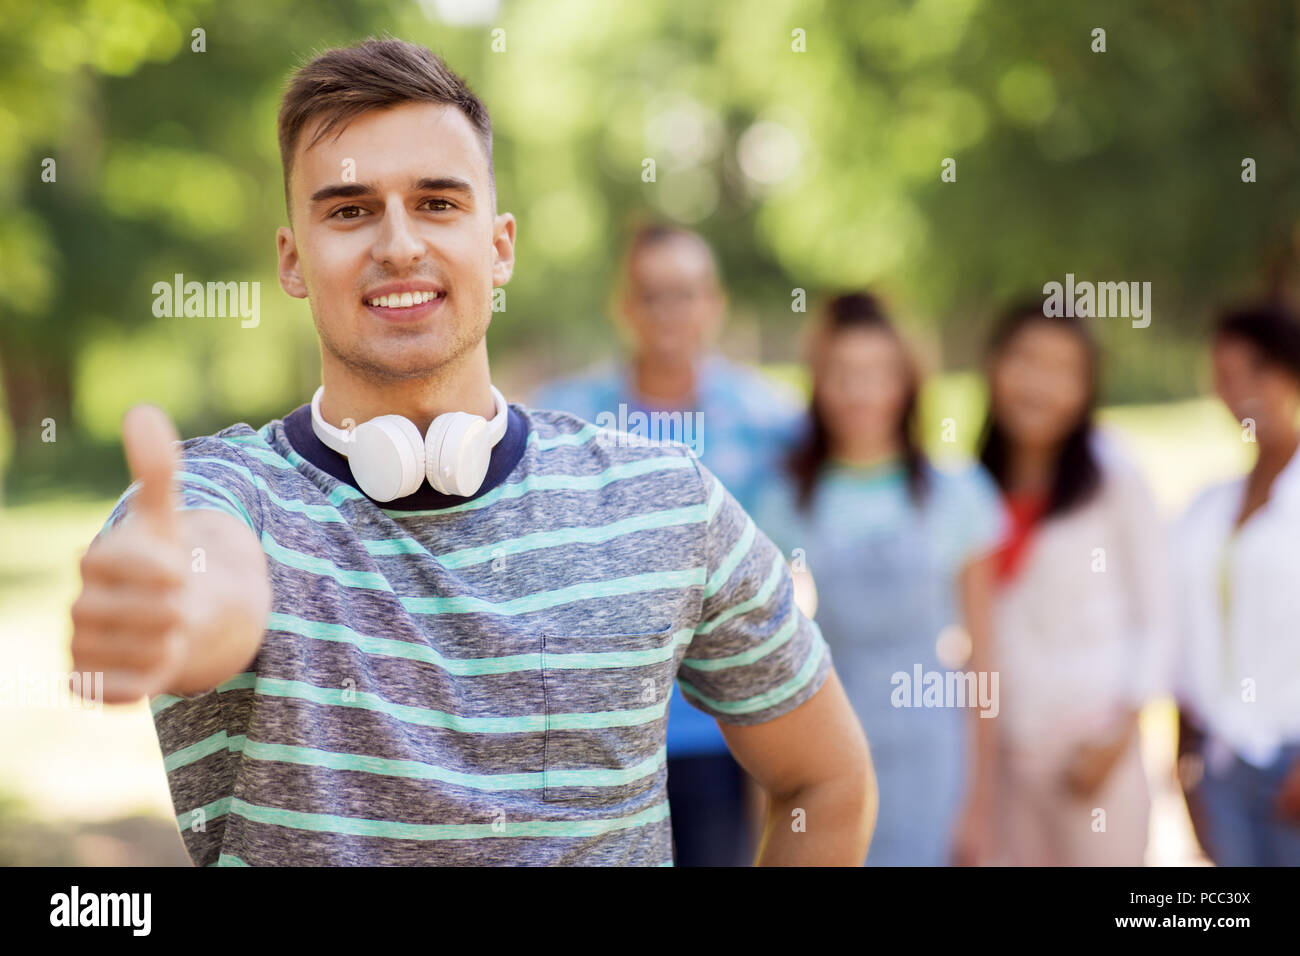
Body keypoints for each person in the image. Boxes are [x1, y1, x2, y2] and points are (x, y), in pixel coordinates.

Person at [68, 38, 875, 867]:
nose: (398, 244)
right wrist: (171, 605)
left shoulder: (666, 500)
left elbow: (827, 780)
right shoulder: (220, 495)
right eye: (349, 210)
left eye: (438, 203)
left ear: (500, 247)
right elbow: (209, 578)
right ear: (292, 260)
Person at [532, 223, 804, 865]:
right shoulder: (566, 418)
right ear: (624, 307)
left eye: (685, 294)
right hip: (602, 731)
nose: (669, 313)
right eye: (651, 295)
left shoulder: (772, 421)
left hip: (723, 729)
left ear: (715, 303)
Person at [753, 292, 1005, 866]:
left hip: (933, 751)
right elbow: (765, 663)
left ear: (906, 383)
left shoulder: (958, 493)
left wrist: (980, 804)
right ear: (818, 385)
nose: (860, 393)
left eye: (877, 374)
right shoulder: (784, 502)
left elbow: (985, 660)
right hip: (830, 750)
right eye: (843, 375)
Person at [977, 301, 1172, 866]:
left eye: (1063, 369)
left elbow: (1157, 615)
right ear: (993, 366)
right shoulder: (969, 485)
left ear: (1088, 388)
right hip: (1006, 758)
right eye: (1026, 361)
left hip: (1092, 752)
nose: (1039, 385)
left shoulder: (1116, 477)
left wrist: (1118, 736)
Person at [1172, 302, 1300, 866]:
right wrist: (1185, 762)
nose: (1236, 393)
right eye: (1223, 378)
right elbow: (1185, 632)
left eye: (1252, 373)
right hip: (1222, 759)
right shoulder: (1209, 507)